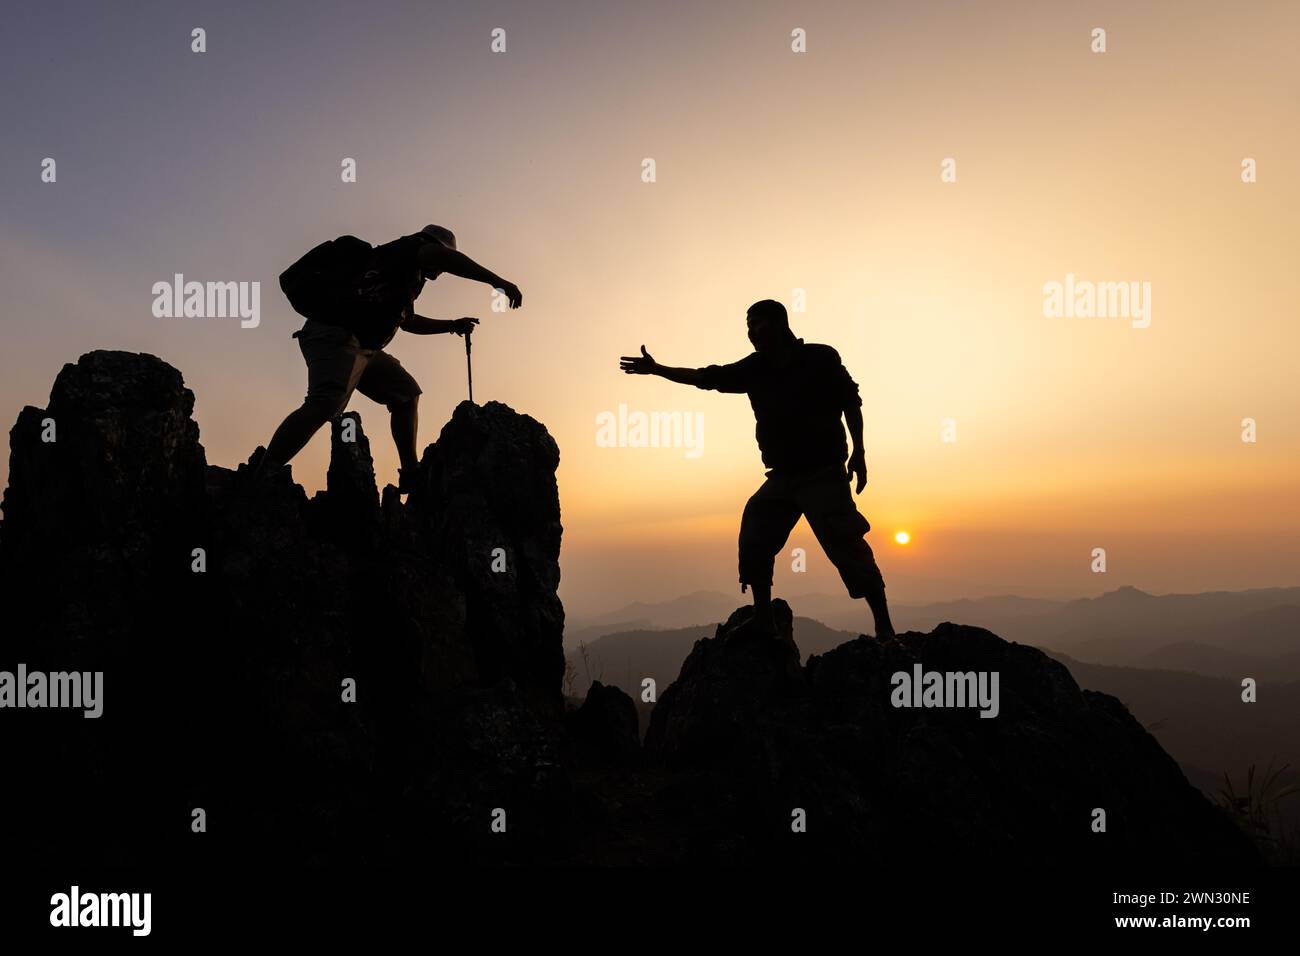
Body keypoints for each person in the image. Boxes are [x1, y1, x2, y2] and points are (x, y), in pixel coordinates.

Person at [619, 299, 894, 639]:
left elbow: (850, 400)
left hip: (822, 471)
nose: (751, 333)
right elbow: (706, 378)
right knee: (755, 535)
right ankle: (764, 618)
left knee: (846, 544)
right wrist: (657, 369)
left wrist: (860, 451)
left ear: (780, 324)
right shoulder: (754, 368)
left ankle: (884, 628)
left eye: (757, 324)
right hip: (781, 476)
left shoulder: (820, 358)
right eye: (748, 327)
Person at [256, 224, 522, 491]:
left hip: (364, 348)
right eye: (441, 264)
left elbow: (408, 322)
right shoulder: (413, 248)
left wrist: (451, 324)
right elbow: (446, 259)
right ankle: (264, 473)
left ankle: (410, 473)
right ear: (435, 246)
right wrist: (497, 281)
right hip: (335, 336)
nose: (440, 273)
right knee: (324, 403)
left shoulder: (401, 271)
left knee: (405, 393)